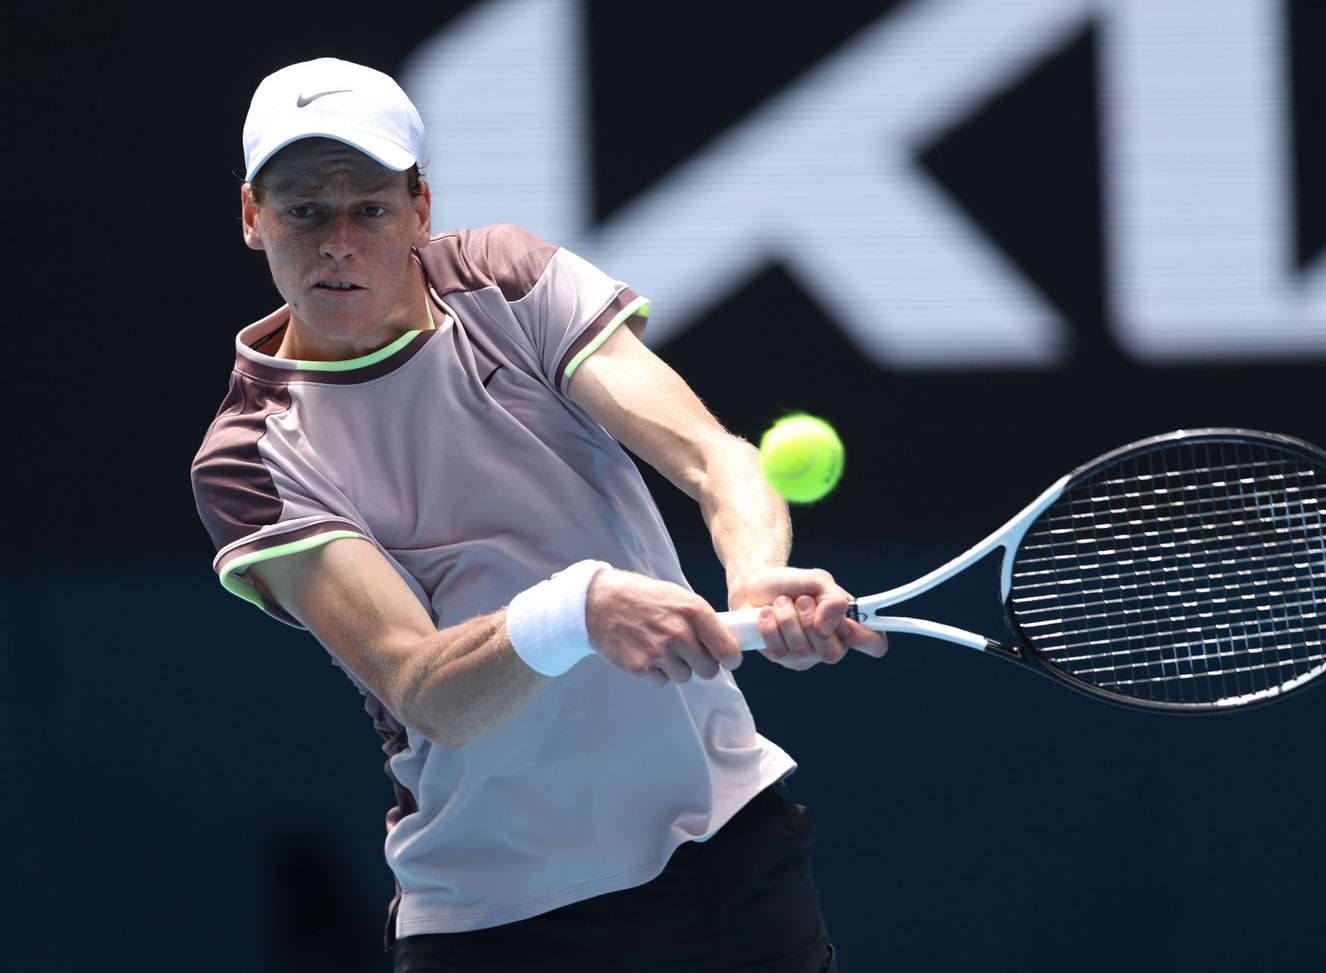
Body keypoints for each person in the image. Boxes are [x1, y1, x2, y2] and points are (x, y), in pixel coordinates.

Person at [190, 56, 887, 972]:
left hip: (728, 858)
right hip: (497, 922)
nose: (337, 244)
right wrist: (580, 607)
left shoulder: (505, 282)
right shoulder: (252, 454)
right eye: (303, 211)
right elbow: (421, 685)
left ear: (420, 208)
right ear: (252, 215)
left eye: (370, 209)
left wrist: (755, 574)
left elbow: (716, 458)